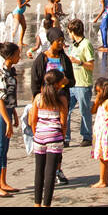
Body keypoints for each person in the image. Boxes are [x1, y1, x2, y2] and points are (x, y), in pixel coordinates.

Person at [28, 68, 69, 207]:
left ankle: (36, 204)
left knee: (39, 171)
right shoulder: (61, 98)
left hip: (40, 136)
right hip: (55, 137)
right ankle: (46, 205)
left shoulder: (39, 98)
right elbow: (63, 122)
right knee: (50, 173)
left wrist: (36, 133)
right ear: (57, 84)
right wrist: (61, 136)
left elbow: (33, 119)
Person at [0, 42, 22, 197]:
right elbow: (0, 100)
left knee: (5, 149)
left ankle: (3, 181)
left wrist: (13, 113)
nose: (19, 57)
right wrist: (7, 120)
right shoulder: (1, 75)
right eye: (17, 54)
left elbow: (8, 96)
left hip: (7, 111)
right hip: (0, 113)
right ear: (10, 57)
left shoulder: (9, 72)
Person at [65, 19, 95, 147]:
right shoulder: (73, 45)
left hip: (83, 84)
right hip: (72, 84)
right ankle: (65, 137)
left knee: (84, 111)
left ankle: (87, 136)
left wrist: (79, 62)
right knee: (66, 110)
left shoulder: (86, 44)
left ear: (73, 32)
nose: (68, 34)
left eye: (69, 31)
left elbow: (91, 65)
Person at [90, 77, 108, 187]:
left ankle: (103, 180)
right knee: (103, 157)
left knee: (104, 157)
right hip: (100, 132)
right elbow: (92, 111)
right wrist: (97, 100)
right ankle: (104, 179)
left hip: (106, 133)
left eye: (98, 91)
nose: (97, 94)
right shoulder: (102, 101)